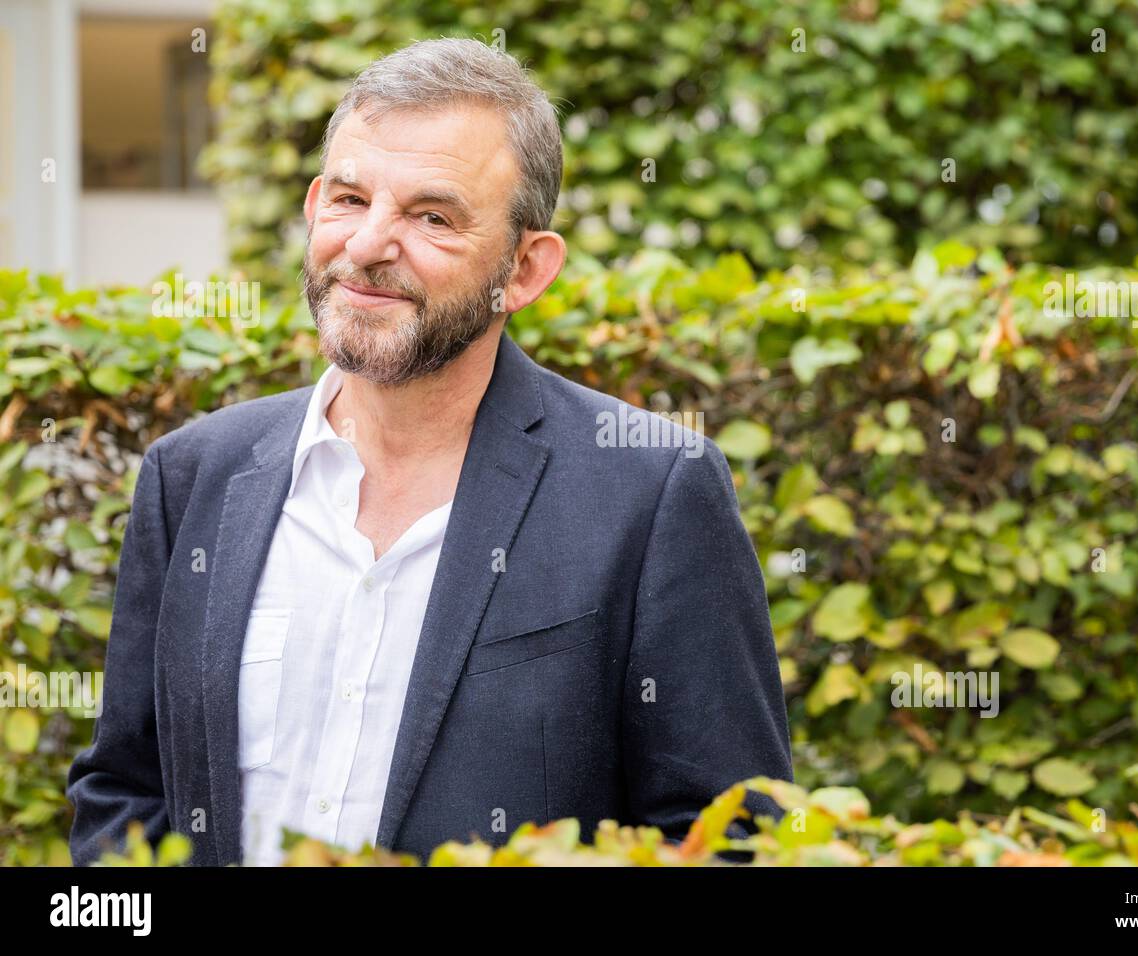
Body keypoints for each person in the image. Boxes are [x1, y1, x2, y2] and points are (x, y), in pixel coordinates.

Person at [67, 37, 792, 867]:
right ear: (312, 208)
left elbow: (733, 839)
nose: (369, 244)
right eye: (349, 199)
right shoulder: (192, 476)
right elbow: (124, 794)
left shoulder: (654, 494)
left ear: (523, 270)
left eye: (432, 217)